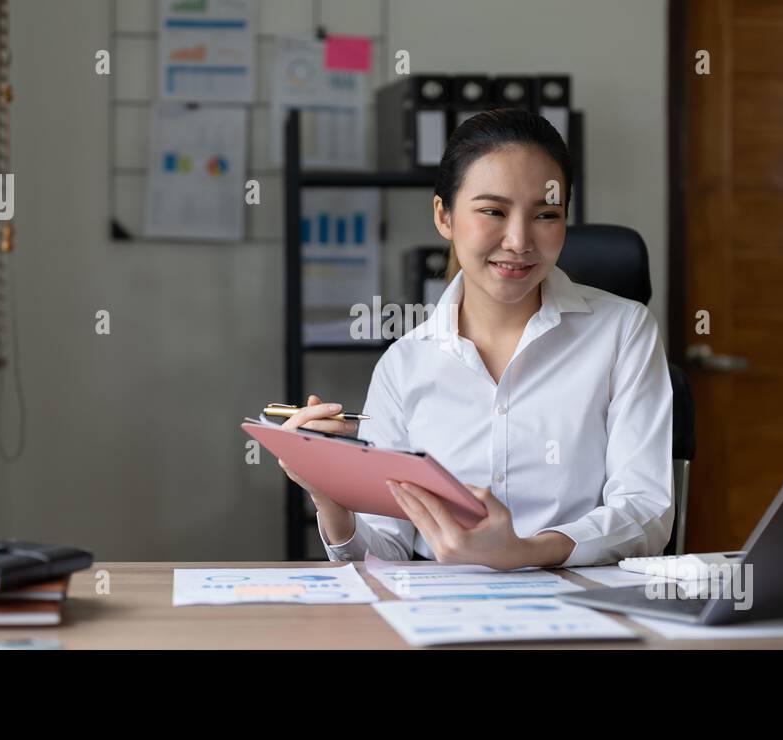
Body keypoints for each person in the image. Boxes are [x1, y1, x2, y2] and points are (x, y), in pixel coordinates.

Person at [278, 108, 672, 570]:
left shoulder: (624, 331)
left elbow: (646, 510)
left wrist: (527, 552)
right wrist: (331, 497)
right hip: (440, 616)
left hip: (581, 605)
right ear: (444, 216)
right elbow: (386, 551)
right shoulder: (404, 363)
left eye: (546, 214)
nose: (520, 240)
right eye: (493, 211)